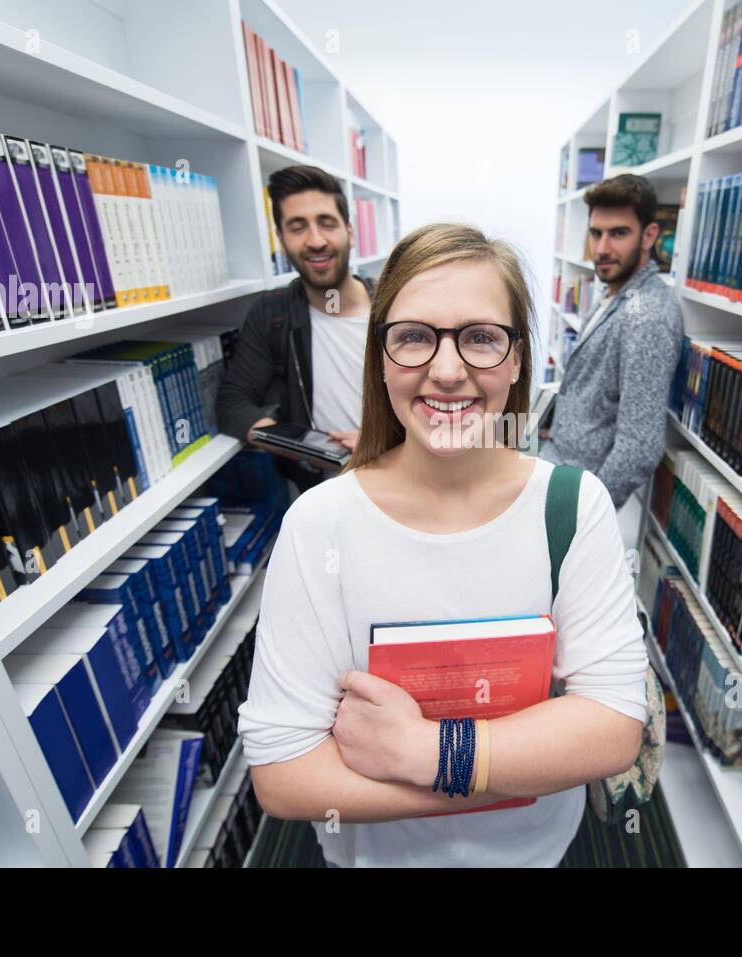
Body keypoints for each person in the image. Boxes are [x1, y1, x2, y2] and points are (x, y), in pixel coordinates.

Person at [237, 223, 648, 868]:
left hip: (537, 854)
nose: (448, 371)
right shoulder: (320, 524)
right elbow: (286, 774)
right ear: (381, 357)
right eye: (414, 338)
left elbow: (614, 727)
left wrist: (423, 754)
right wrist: (500, 780)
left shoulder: (573, 507)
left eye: (482, 338)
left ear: (518, 360)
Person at [216, 165, 374, 491]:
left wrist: (383, 442)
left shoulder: (398, 307)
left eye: (326, 223)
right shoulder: (272, 312)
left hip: (406, 482)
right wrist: (309, 449)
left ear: (350, 232)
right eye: (297, 227)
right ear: (282, 240)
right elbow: (233, 405)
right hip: (325, 494)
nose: (315, 241)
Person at [541, 174, 683, 508]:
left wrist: (586, 517)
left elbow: (640, 447)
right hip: (559, 467)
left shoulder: (645, 316)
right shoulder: (617, 292)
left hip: (576, 497)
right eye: (596, 234)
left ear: (649, 236)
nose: (602, 248)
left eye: (618, 234)